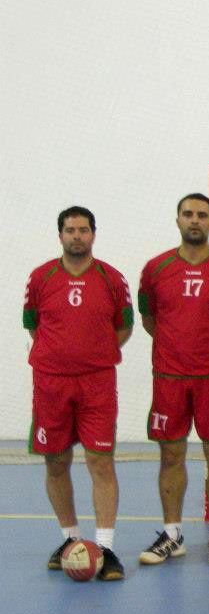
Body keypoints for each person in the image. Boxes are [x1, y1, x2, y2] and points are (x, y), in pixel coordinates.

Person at [24, 206, 133, 580]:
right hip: (51, 384)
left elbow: (125, 326)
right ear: (60, 235)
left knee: (100, 461)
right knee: (56, 461)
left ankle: (105, 548)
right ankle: (70, 540)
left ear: (93, 234)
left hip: (97, 384)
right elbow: (33, 324)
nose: (76, 236)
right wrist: (60, 355)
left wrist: (94, 354)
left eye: (83, 230)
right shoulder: (41, 277)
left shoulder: (111, 278)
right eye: (70, 230)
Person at [137, 193, 209, 567]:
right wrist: (177, 348)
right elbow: (150, 319)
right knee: (170, 454)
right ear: (177, 219)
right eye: (188, 214)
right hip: (169, 378)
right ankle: (172, 535)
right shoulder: (155, 268)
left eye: (202, 215)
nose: (195, 220)